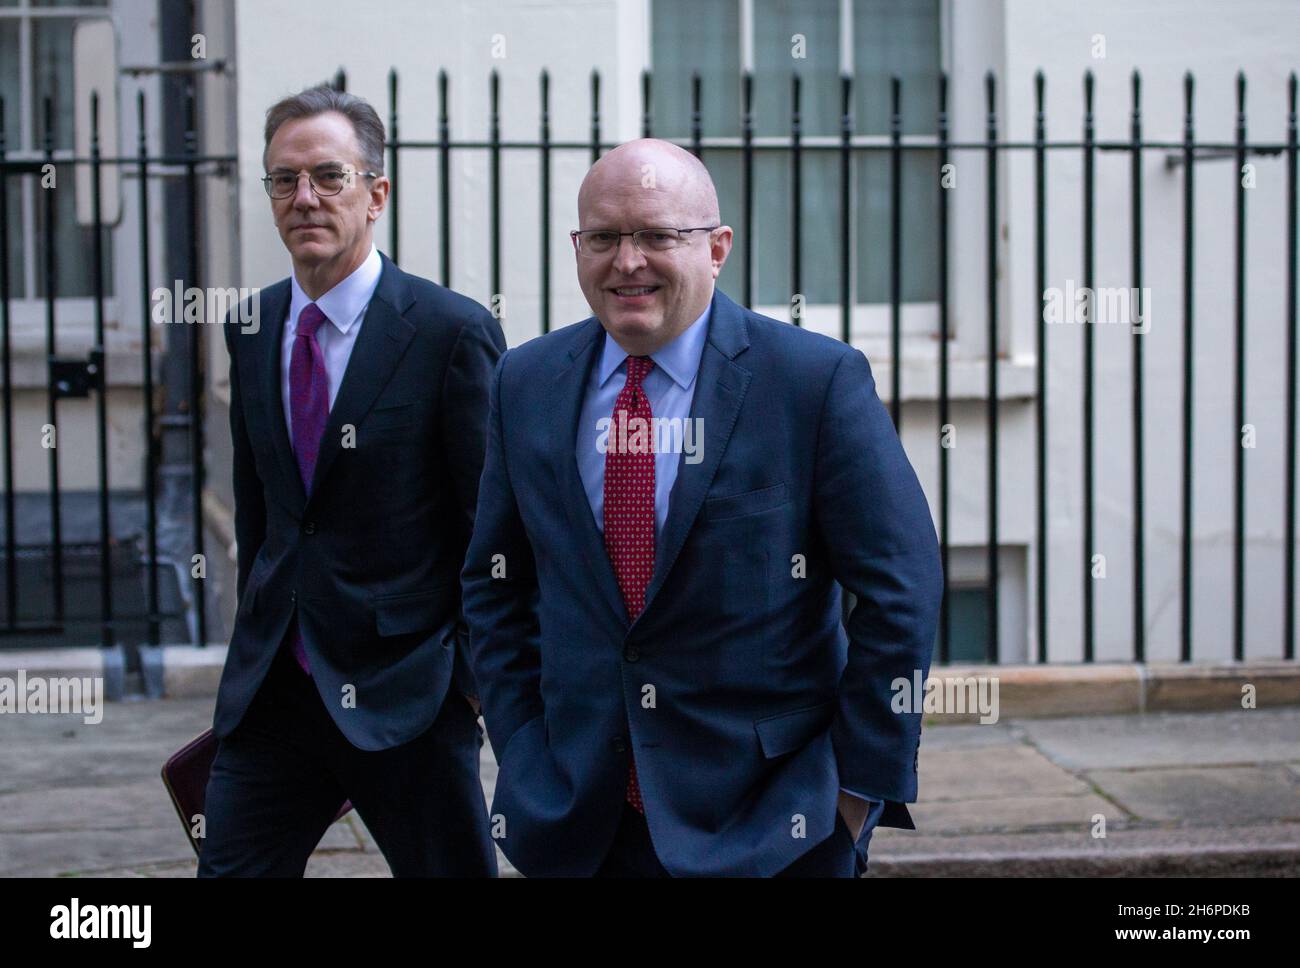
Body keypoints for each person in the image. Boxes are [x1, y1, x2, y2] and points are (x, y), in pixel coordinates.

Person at [462, 138, 942, 877]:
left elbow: (901, 589)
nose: (627, 262)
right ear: (577, 246)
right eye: (604, 238)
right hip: (580, 822)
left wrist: (853, 793)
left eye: (657, 235)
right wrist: (524, 750)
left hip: (774, 824)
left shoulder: (811, 382)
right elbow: (495, 588)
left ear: (717, 249)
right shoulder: (526, 381)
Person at [199, 86, 504, 877]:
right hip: (274, 694)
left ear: (377, 195)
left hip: (406, 695)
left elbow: (490, 526)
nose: (304, 198)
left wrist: (462, 685)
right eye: (283, 180)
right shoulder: (252, 324)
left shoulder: (449, 332)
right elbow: (263, 510)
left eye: (328, 177)